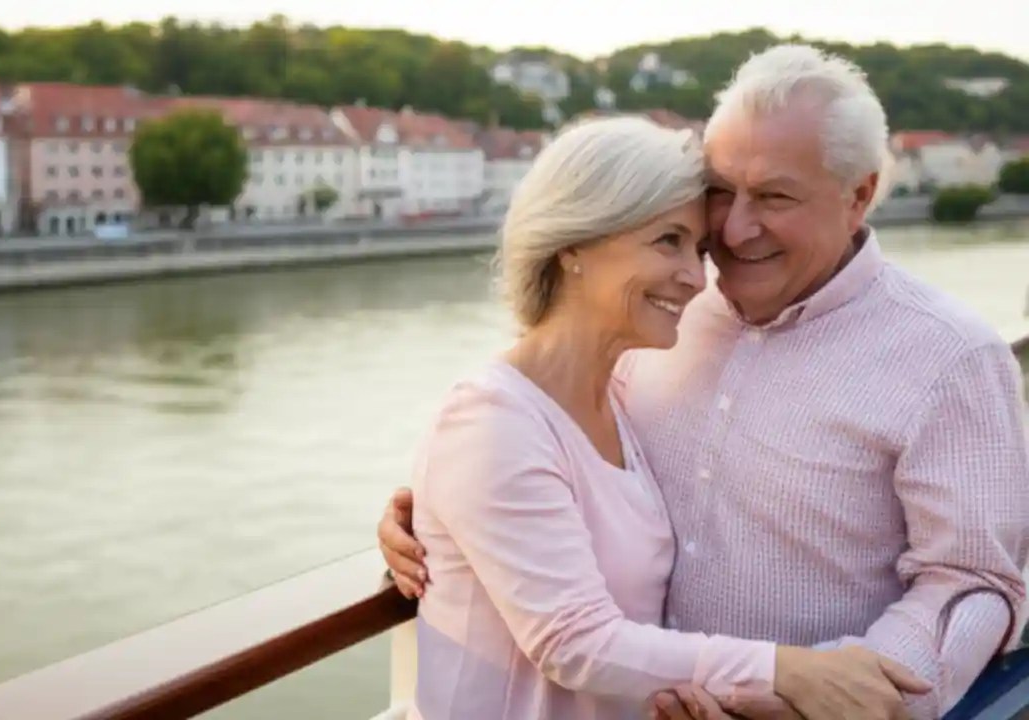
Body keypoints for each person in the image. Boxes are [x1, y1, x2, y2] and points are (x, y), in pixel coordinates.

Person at [381, 44, 1029, 719]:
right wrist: (432, 515)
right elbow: (534, 444)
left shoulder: (952, 357)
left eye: (775, 196)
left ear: (859, 194)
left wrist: (841, 696)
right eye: (721, 193)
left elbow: (972, 579)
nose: (735, 232)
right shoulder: (657, 319)